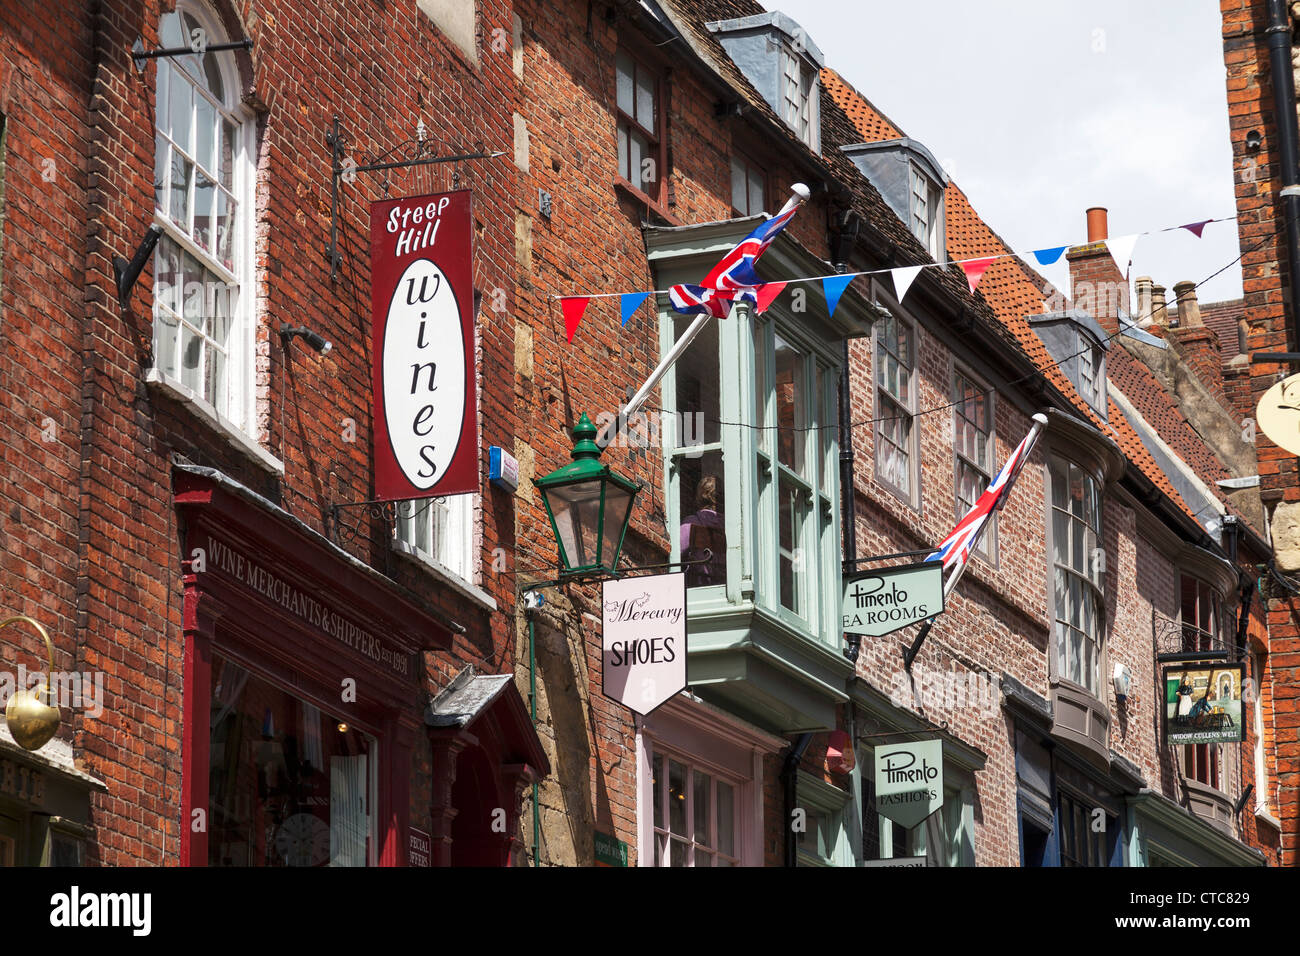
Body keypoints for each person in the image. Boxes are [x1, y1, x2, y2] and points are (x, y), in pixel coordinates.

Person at [680, 476, 726, 587]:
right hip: (725, 586)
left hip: (698, 588)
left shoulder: (691, 523)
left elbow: (674, 553)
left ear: (699, 497)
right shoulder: (729, 527)